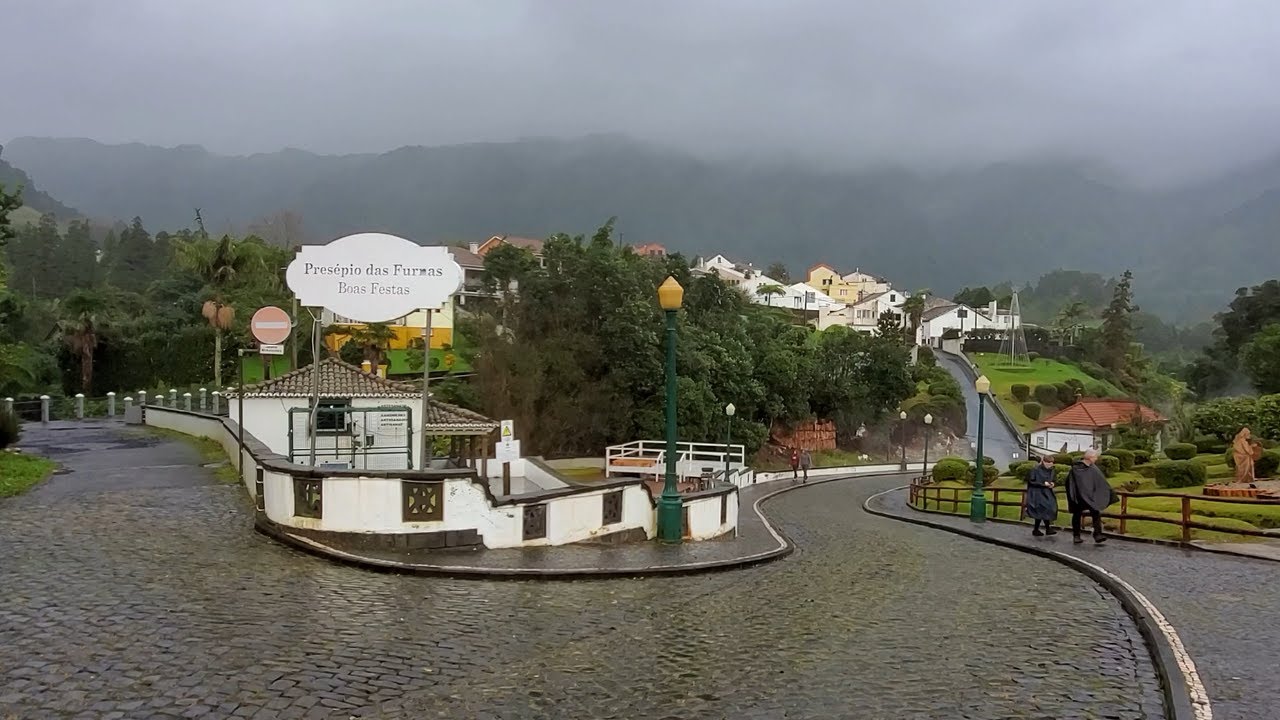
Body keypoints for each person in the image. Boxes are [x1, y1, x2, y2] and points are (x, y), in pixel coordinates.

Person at [1066, 449, 1116, 544]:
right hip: (1079, 496)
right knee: (1077, 514)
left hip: (1092, 496)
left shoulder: (1093, 468)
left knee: (1096, 512)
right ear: (1090, 457)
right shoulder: (1076, 469)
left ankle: (1097, 534)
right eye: (1095, 457)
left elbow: (1099, 481)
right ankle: (1076, 535)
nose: (1096, 459)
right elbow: (1072, 483)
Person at [1025, 454, 1059, 537]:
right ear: (1043, 462)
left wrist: (1053, 483)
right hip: (1037, 492)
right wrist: (1043, 484)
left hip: (1047, 492)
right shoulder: (1035, 469)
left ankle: (1041, 529)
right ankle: (1044, 529)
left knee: (1048, 508)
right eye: (1048, 463)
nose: (1050, 465)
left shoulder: (1052, 470)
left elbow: (1054, 479)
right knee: (1041, 509)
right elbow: (1031, 481)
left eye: (1051, 463)